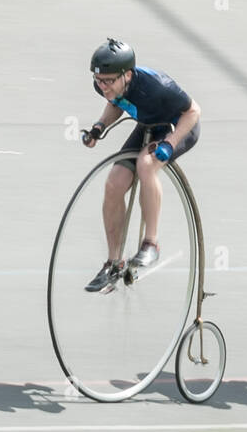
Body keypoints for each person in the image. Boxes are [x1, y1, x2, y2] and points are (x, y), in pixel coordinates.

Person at [80, 38, 201, 293]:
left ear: (128, 74)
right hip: (148, 125)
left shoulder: (157, 86)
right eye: (99, 81)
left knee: (147, 164)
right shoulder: (107, 85)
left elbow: (193, 112)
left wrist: (170, 142)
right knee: (114, 183)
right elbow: (116, 102)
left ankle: (151, 244)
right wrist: (100, 126)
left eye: (109, 81)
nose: (102, 86)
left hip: (177, 126)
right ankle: (114, 263)